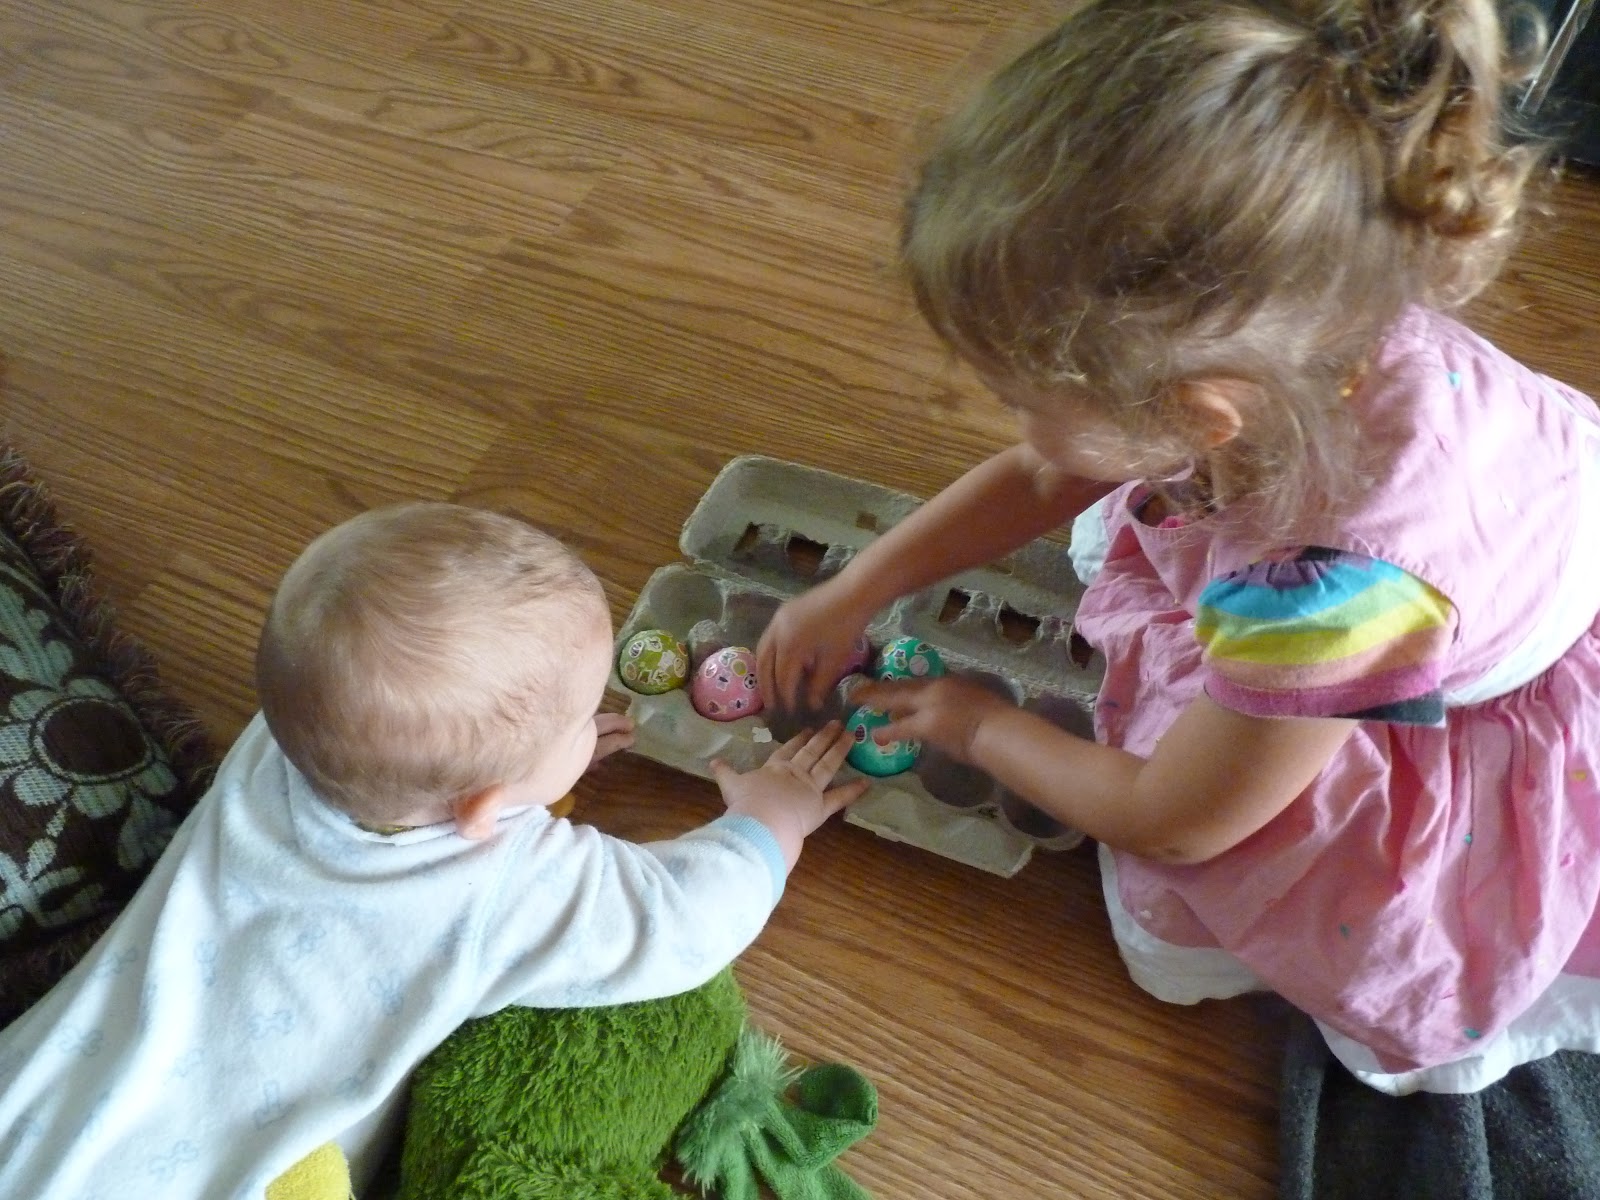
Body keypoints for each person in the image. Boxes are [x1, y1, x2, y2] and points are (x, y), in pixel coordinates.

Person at [758, 0, 1600, 1095]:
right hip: (1507, 527)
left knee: (1197, 915)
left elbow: (1176, 821)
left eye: (1024, 403)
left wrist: (980, 724)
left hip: (1460, 673)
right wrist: (857, 590)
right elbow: (1055, 472)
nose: (1017, 432)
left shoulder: (1331, 595)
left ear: (1201, 419)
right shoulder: (1311, 315)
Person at [0, 502, 867, 1199]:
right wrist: (772, 819)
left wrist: (532, 758)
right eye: (579, 718)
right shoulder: (498, 884)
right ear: (481, 808)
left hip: (34, 1115)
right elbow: (683, 919)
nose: (594, 719)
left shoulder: (284, 744)